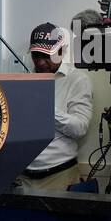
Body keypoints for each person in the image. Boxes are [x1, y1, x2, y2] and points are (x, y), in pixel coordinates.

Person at [15, 21, 92, 191]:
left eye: (47, 56)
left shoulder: (77, 80)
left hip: (60, 175)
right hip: (22, 176)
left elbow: (80, 128)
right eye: (36, 55)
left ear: (62, 51)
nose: (41, 63)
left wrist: (46, 108)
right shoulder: (21, 81)